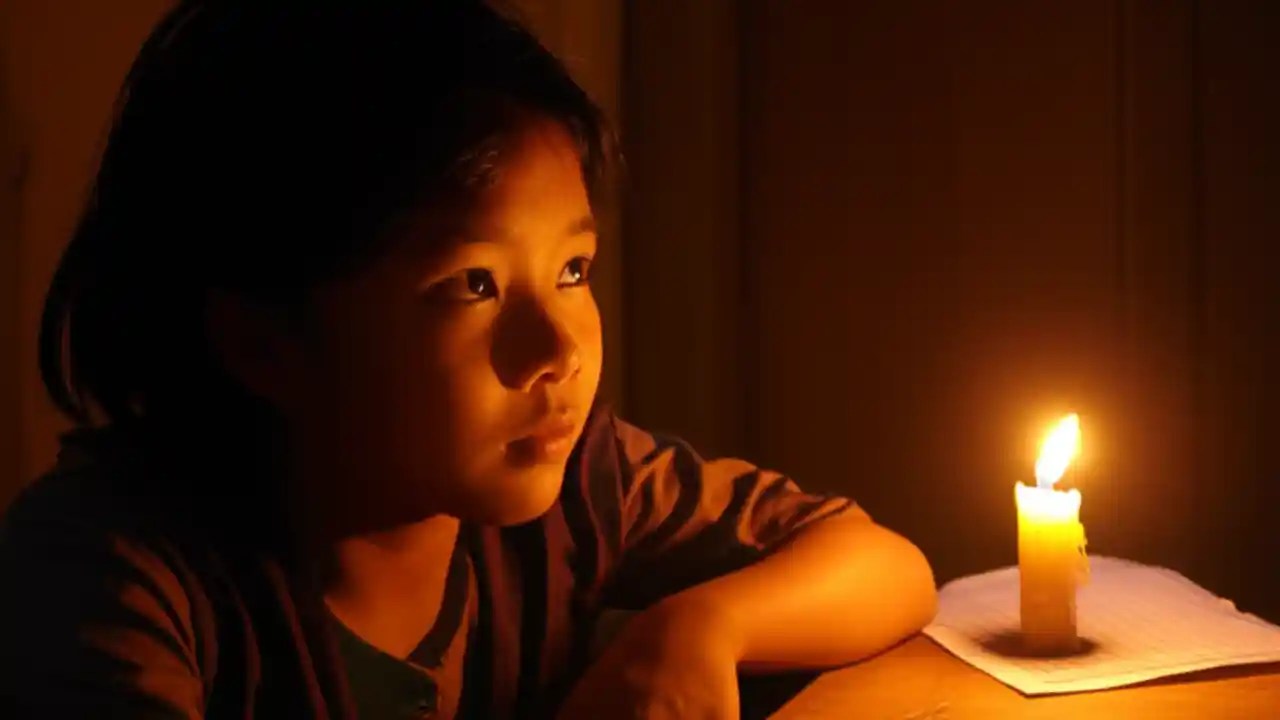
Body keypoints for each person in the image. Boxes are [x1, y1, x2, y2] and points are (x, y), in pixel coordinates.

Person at [0, 1, 937, 718]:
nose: (559, 349)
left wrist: (697, 627)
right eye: (474, 285)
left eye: (572, 270)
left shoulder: (581, 489)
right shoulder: (109, 577)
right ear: (266, 342)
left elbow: (884, 566)